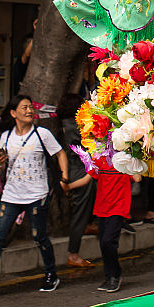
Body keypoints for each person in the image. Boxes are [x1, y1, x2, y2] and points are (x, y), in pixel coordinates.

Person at [0, 94, 66, 298]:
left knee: (39, 236)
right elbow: (2, 164)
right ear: (13, 113)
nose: (29, 111)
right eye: (24, 107)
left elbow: (60, 153)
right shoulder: (6, 137)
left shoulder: (41, 134)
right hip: (11, 195)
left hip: (36, 194)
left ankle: (51, 275)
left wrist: (64, 177)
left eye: (30, 107)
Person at [63, 158, 141, 293]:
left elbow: (137, 178)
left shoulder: (125, 159)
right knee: (103, 244)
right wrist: (67, 187)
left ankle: (115, 275)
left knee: (108, 241)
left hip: (118, 208)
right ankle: (109, 276)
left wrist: (132, 159)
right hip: (102, 207)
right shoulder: (100, 159)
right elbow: (86, 179)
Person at [57, 93, 96, 267]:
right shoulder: (75, 126)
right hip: (80, 170)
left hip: (72, 170)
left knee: (82, 210)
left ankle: (89, 223)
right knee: (79, 214)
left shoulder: (62, 124)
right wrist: (88, 174)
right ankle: (73, 254)